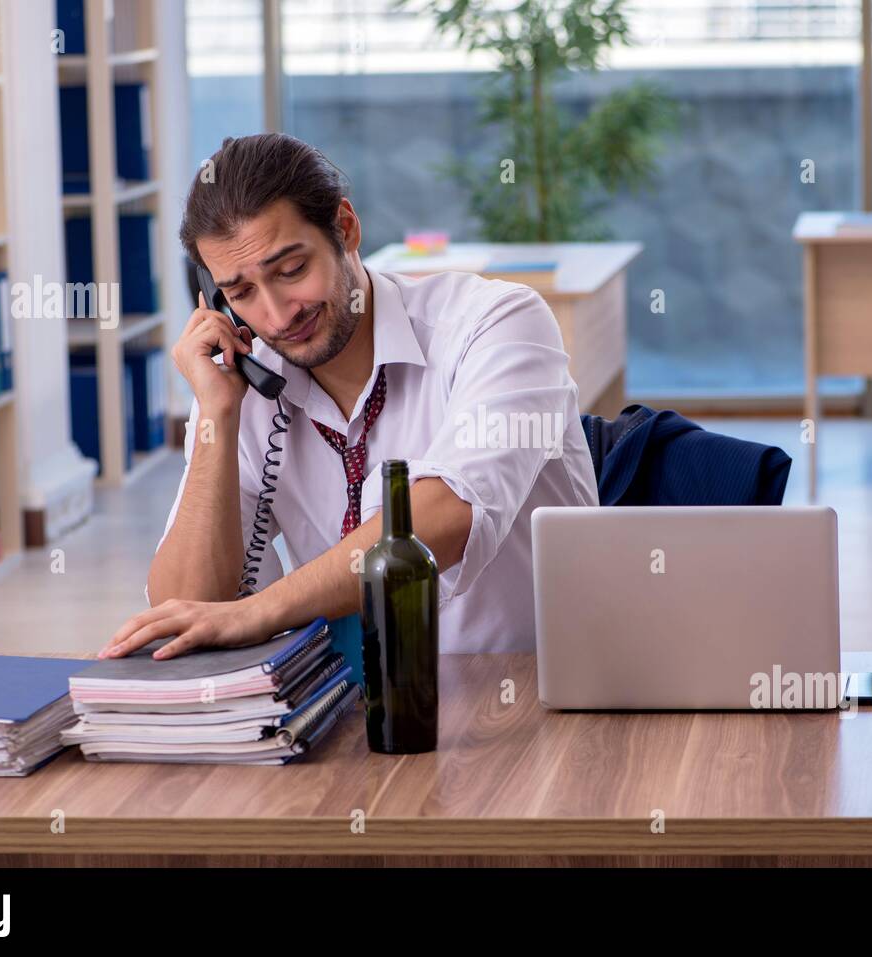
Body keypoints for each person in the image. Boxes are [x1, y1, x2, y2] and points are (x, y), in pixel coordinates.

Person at [100, 133, 598, 661]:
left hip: (535, 703)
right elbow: (185, 609)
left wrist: (258, 611)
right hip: (354, 717)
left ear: (345, 227)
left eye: (291, 270)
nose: (276, 314)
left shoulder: (496, 323)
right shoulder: (242, 384)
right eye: (240, 293)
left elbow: (447, 518)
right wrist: (217, 420)